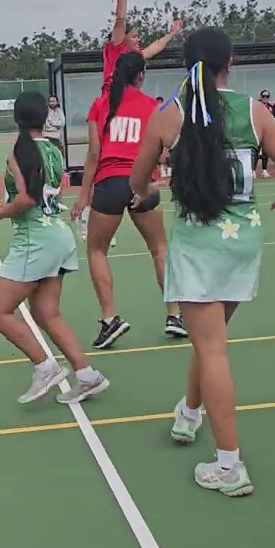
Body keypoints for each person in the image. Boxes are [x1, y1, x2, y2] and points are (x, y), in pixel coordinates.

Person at [130, 27, 275, 497]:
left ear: (185, 66)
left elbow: (138, 179)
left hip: (198, 245)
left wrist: (146, 195)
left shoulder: (168, 114)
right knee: (210, 336)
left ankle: (230, 466)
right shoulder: (255, 111)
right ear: (231, 61)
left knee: (211, 347)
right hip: (242, 241)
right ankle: (189, 414)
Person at [0, 91, 110, 405]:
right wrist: (9, 203)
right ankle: (88, 375)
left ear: (17, 119)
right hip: (57, 234)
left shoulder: (19, 150)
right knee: (46, 312)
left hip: (35, 238)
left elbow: (28, 200)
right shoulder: (52, 149)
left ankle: (45, 366)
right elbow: (39, 192)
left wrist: (1, 211)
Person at [72, 50, 187, 350]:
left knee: (96, 250)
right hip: (142, 183)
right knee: (159, 248)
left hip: (109, 183)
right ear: (141, 76)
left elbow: (94, 154)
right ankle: (175, 316)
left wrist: (83, 196)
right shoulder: (153, 106)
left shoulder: (100, 105)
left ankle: (110, 318)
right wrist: (150, 180)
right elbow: (164, 149)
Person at [103, 0, 182, 93]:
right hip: (111, 105)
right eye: (134, 36)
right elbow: (121, 18)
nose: (138, 39)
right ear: (123, 36)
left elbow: (155, 46)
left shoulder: (136, 55)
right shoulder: (116, 47)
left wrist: (172, 34)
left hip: (129, 103)